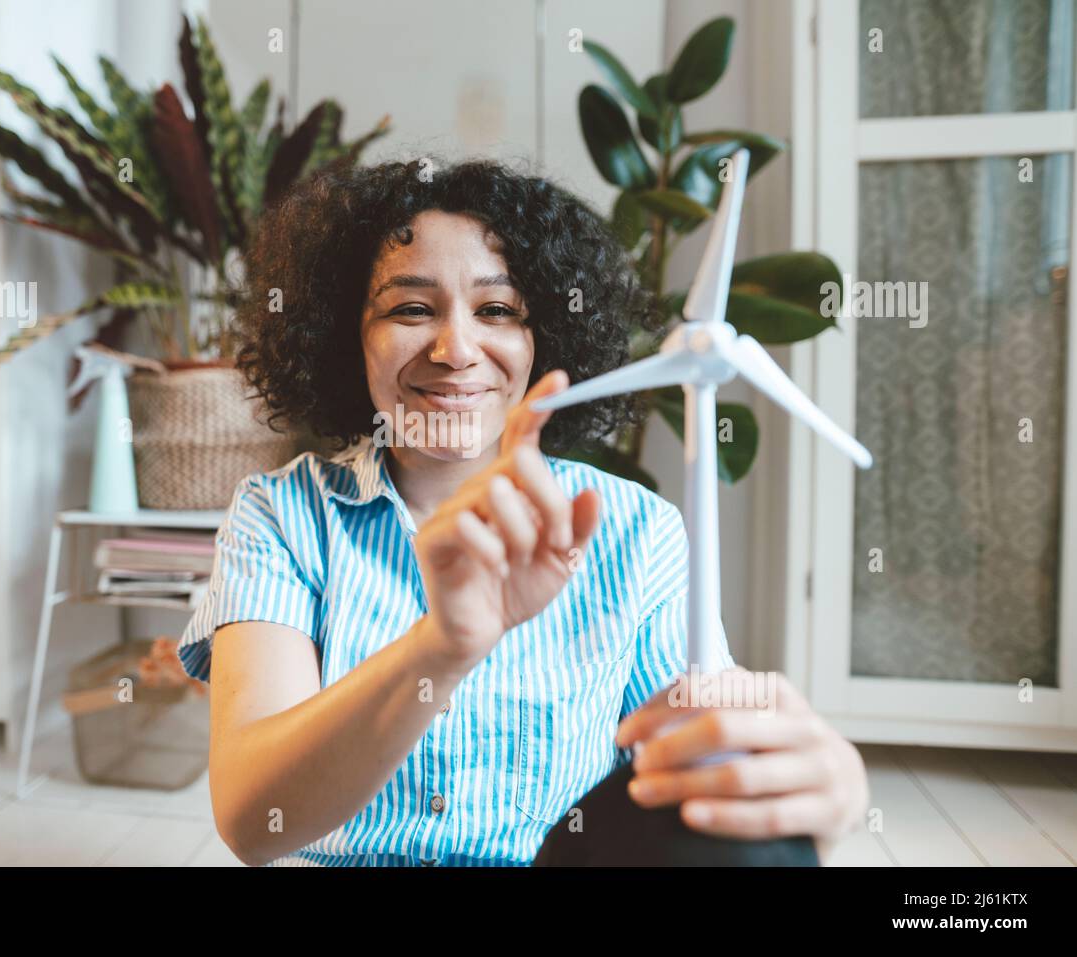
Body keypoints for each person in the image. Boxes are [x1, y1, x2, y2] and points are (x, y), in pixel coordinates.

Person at [176, 158, 869, 866]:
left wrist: (829, 778)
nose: (455, 350)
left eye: (498, 310)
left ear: (542, 343)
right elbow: (253, 817)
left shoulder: (633, 528)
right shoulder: (281, 515)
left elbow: (700, 759)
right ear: (347, 336)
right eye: (411, 308)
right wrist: (442, 644)